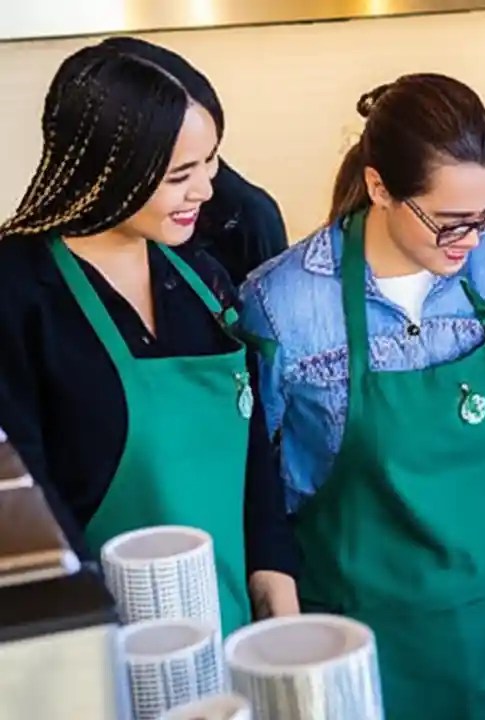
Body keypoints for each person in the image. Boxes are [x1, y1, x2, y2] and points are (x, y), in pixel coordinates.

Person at [239, 74, 485, 719]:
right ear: (380, 187)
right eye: (449, 222)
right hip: (370, 646)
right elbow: (259, 494)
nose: (471, 242)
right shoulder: (285, 305)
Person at [0, 43, 299, 634]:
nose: (206, 192)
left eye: (210, 164)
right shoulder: (18, 291)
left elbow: (252, 466)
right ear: (106, 168)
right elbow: (23, 512)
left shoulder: (203, 280)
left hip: (233, 634)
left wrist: (276, 596)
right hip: (97, 649)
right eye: (179, 176)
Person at [100, 36, 289, 286]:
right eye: (179, 175)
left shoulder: (247, 218)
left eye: (210, 158)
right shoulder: (39, 279)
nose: (205, 191)